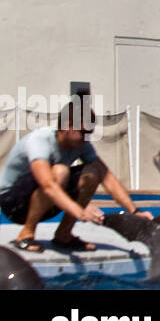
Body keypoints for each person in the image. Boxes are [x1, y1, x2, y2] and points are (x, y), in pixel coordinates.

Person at [0, 100, 152, 252]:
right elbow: (48, 185)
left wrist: (135, 212)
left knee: (93, 173)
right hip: (13, 204)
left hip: (44, 201)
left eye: (90, 134)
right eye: (84, 132)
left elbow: (107, 178)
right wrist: (79, 211)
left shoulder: (81, 145)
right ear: (68, 126)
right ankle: (26, 234)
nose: (87, 138)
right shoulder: (40, 140)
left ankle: (64, 235)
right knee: (61, 171)